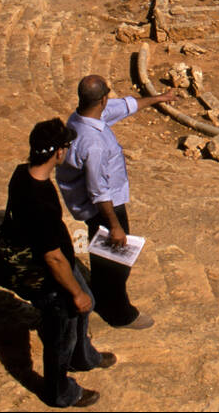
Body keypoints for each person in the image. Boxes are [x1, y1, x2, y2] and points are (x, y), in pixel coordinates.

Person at [5, 118, 115, 408]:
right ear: (57, 152)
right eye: (66, 145)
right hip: (49, 274)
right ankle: (60, 391)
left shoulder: (22, 175)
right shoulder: (38, 201)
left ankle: (84, 356)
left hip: (58, 261)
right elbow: (51, 256)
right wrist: (74, 293)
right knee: (60, 334)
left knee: (86, 303)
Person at [56, 75, 175, 329]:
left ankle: (100, 292)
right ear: (101, 99)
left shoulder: (82, 118)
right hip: (103, 208)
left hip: (98, 204)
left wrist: (158, 99)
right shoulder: (93, 143)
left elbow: (123, 106)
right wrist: (114, 225)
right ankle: (118, 312)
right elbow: (98, 190)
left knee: (104, 256)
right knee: (117, 260)